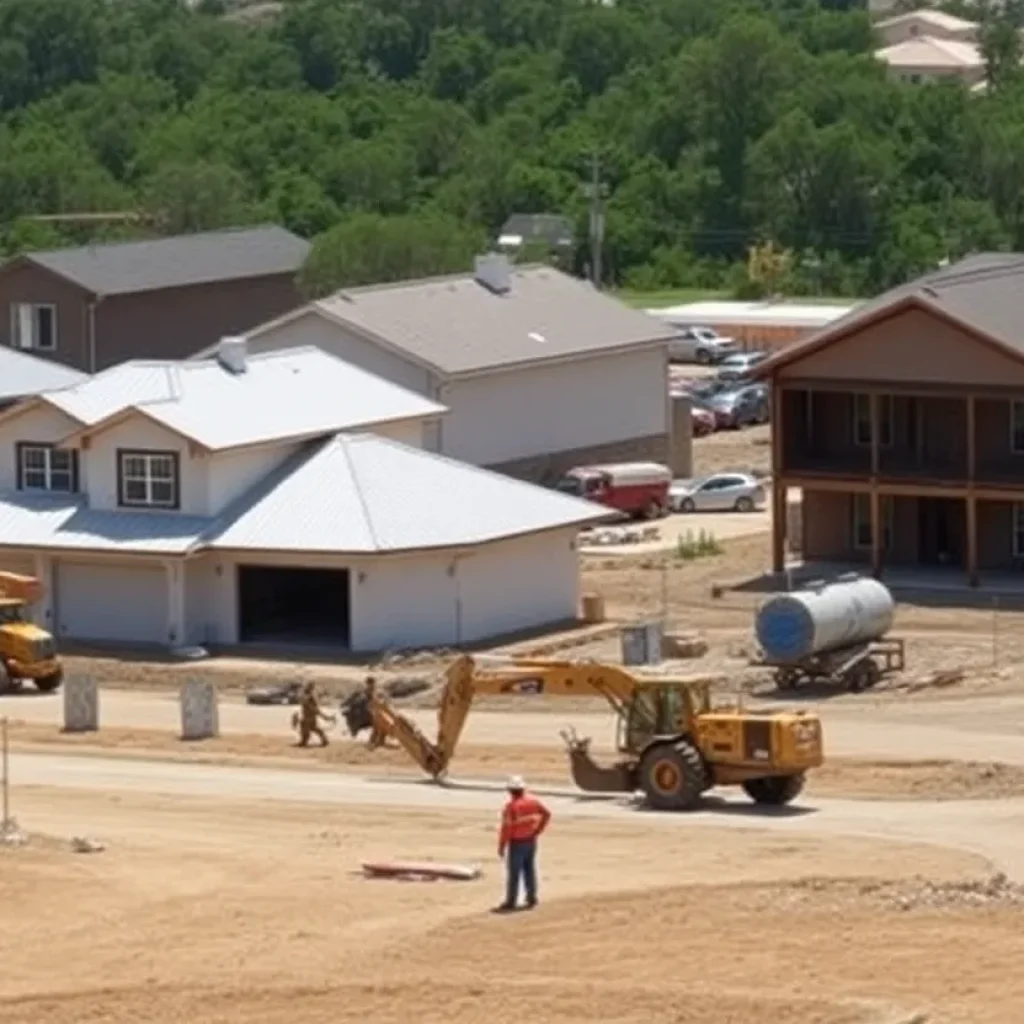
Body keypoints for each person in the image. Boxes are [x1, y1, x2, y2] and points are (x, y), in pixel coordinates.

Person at [495, 775, 551, 912]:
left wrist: (502, 846)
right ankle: (531, 897)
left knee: (514, 874)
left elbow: (506, 829)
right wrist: (538, 830)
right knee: (529, 869)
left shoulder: (510, 807)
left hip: (517, 843)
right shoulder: (533, 802)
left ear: (510, 791)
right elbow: (547, 814)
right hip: (531, 840)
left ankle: (511, 901)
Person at [296, 682, 332, 747]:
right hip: (308, 714)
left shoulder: (310, 696)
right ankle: (324, 740)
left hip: (309, 715)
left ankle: (304, 742)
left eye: (308, 686)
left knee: (307, 728)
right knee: (313, 728)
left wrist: (322, 715)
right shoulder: (308, 695)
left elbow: (312, 706)